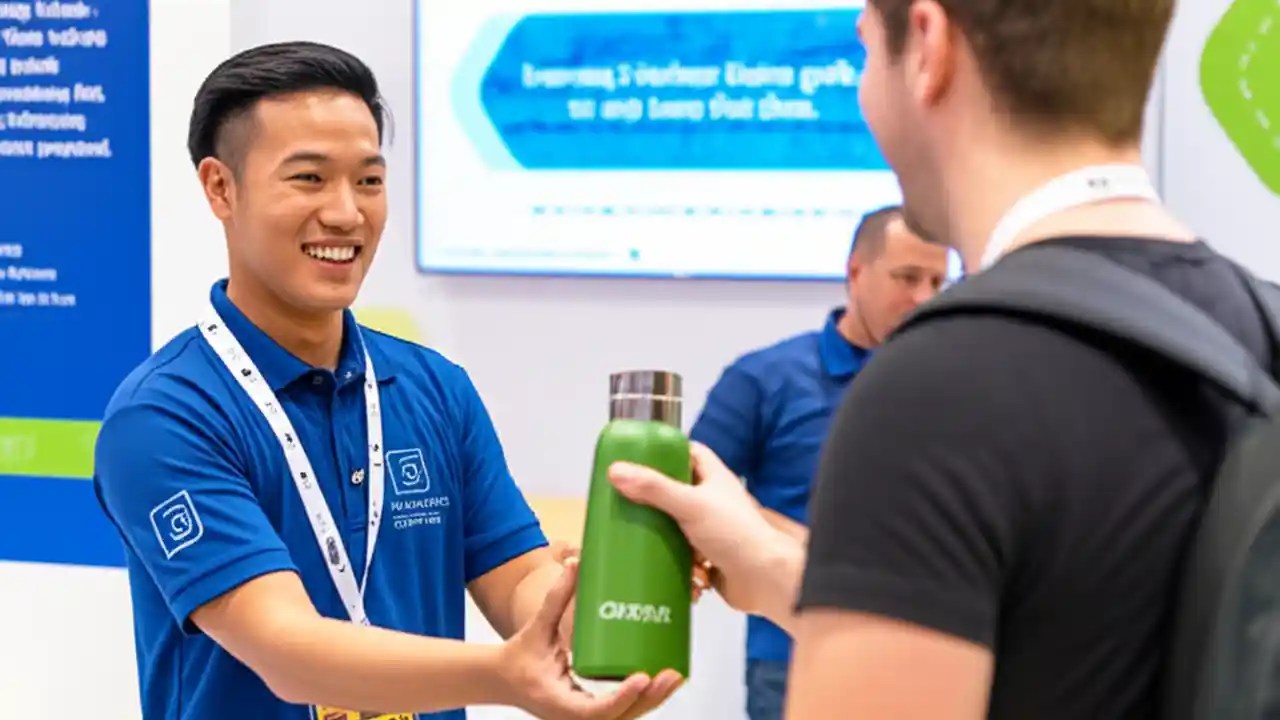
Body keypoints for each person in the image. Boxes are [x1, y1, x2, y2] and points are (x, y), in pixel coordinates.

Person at [605, 0, 1275, 718]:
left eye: (864, 50)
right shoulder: (1263, 331)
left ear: (928, 44)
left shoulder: (935, 392)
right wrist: (774, 569)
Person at [92, 41, 679, 720]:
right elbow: (285, 649)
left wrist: (588, 610)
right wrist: (506, 676)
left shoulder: (433, 387)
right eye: (309, 179)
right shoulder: (165, 416)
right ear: (222, 188)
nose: (347, 213)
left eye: (369, 180)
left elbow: (515, 576)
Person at [687, 205, 948, 719]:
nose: (923, 297)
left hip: (926, 653)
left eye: (938, 280)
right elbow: (688, 488)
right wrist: (804, 544)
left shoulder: (953, 384)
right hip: (792, 655)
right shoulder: (764, 378)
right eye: (907, 277)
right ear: (855, 271)